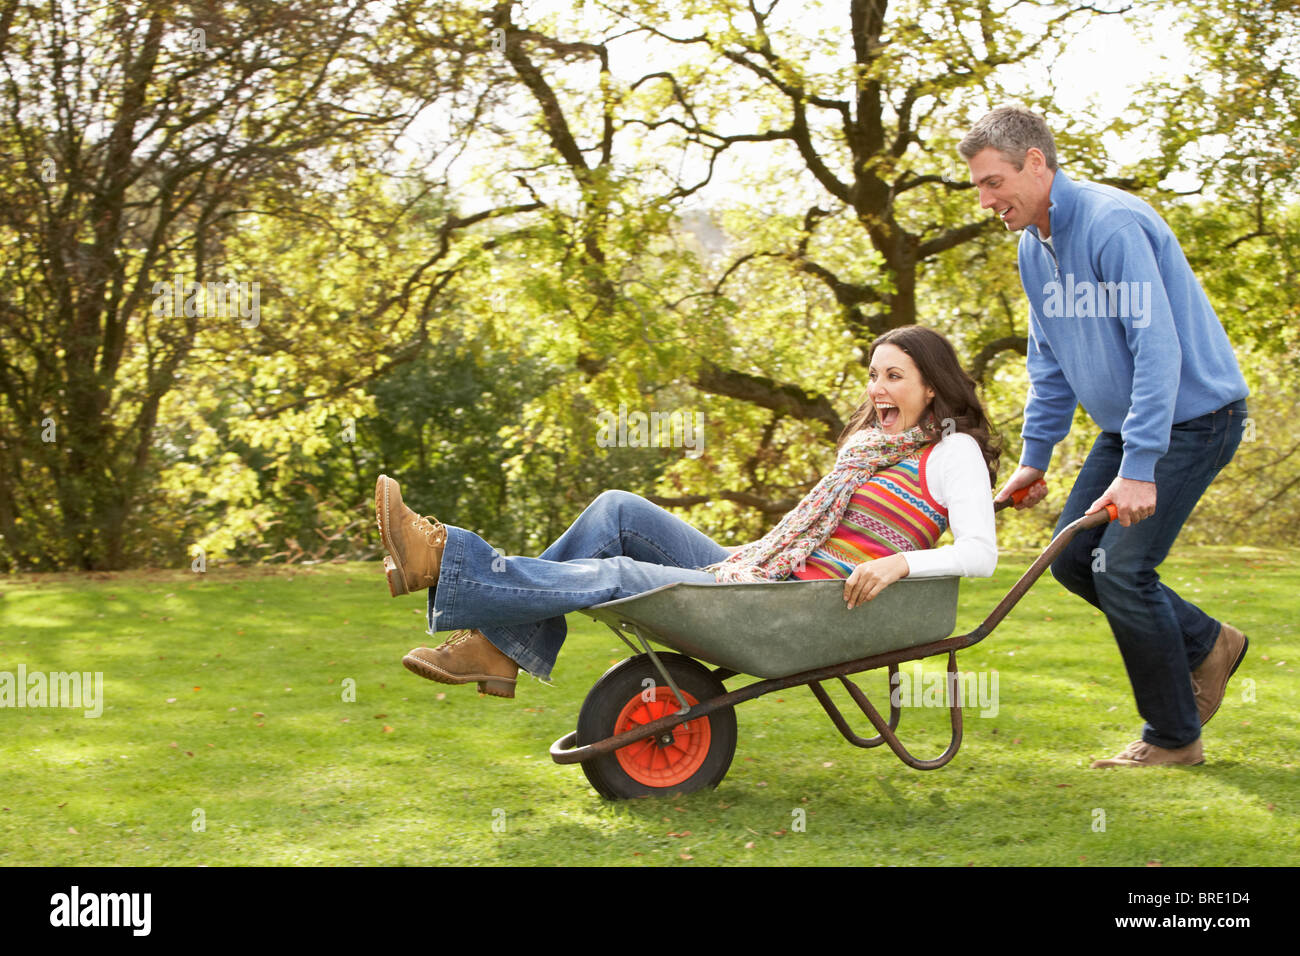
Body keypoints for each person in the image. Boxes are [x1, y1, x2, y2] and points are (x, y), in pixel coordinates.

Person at [375, 326, 1000, 699]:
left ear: (933, 388)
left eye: (894, 376)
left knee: (619, 572)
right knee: (617, 510)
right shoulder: (871, 449)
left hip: (793, 606)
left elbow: (980, 552)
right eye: (873, 375)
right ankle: (499, 646)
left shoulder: (952, 452)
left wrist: (897, 565)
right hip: (762, 578)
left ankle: (447, 562)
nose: (877, 389)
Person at [959, 106, 1251, 769]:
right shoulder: (1033, 249)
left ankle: (1174, 739)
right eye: (978, 186)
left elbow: (1158, 349)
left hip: (1195, 419)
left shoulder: (1111, 225)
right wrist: (1035, 459)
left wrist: (1141, 464)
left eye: (992, 181)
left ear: (1036, 162)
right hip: (1131, 428)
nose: (985, 199)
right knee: (1071, 559)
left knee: (1121, 568)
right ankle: (1209, 643)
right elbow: (1051, 363)